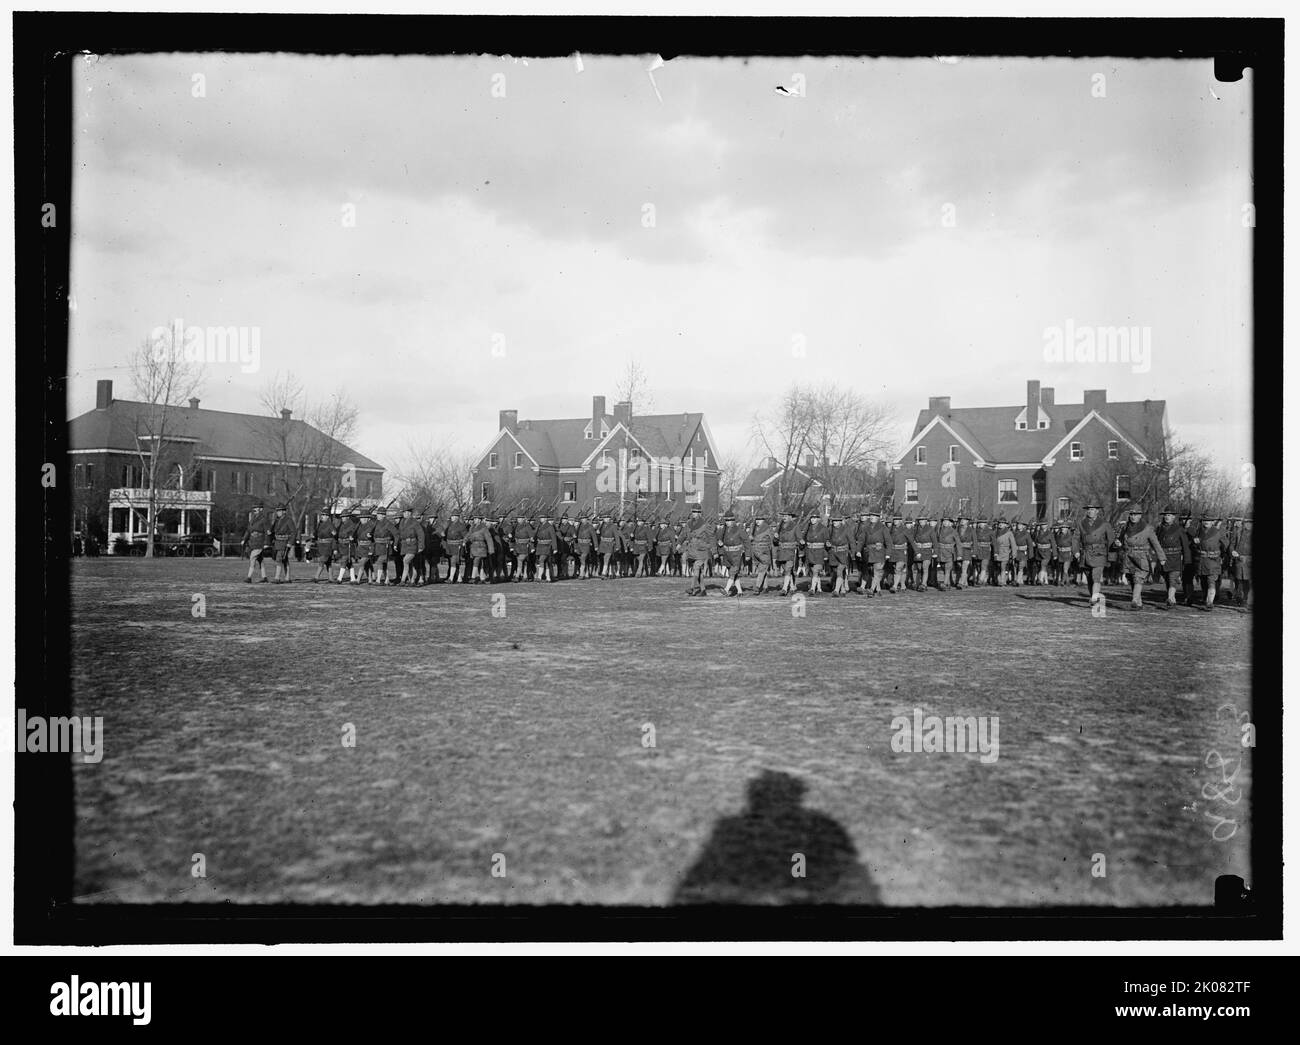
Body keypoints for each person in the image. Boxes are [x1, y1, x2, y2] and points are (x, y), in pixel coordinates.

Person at [1119, 506, 1166, 610]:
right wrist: (1117, 543)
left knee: (1138, 578)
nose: (1133, 517)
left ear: (1140, 515)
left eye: (1135, 514)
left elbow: (1156, 543)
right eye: (1131, 514)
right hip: (1128, 556)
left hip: (1141, 556)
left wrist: (1161, 557)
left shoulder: (1148, 528)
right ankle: (1138, 602)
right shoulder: (1125, 527)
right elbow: (1120, 540)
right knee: (1132, 579)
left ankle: (1134, 600)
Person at [1075, 503, 1115, 606]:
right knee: (1089, 579)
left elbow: (1111, 540)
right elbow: (1076, 538)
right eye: (1088, 509)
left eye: (1092, 509)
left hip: (1099, 553)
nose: (1090, 511)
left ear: (1097, 511)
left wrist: (1111, 556)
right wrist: (1075, 551)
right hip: (1086, 554)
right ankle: (1094, 597)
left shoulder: (1105, 524)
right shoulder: (1081, 523)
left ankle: (1094, 598)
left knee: (1096, 577)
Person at [1193, 513, 1232, 612]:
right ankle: (1205, 598)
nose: (1206, 522)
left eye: (1209, 521)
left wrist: (1230, 553)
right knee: (1203, 581)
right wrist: (1195, 543)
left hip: (1213, 560)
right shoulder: (1198, 531)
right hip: (1201, 561)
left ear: (1213, 522)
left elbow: (1227, 545)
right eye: (1204, 520)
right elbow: (1194, 547)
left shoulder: (1218, 532)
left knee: (1211, 581)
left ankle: (1210, 602)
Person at [1155, 507, 1191, 606]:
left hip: (1175, 558)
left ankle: (1170, 598)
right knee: (1167, 578)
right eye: (1165, 515)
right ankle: (1172, 598)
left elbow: (1185, 546)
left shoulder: (1179, 529)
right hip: (1163, 558)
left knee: (1173, 578)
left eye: (1169, 515)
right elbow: (1156, 542)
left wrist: (1187, 561)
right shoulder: (1159, 528)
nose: (1167, 517)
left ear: (1173, 517)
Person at [684, 505, 714, 596]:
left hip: (701, 549)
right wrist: (679, 543)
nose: (694, 513)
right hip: (692, 550)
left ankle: (692, 588)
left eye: (696, 512)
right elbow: (684, 534)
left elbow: (711, 536)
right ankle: (703, 590)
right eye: (693, 511)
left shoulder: (705, 524)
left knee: (696, 567)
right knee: (698, 571)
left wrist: (714, 550)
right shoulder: (689, 523)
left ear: (700, 513)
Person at [719, 510, 750, 597]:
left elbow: (747, 541)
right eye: (726, 520)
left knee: (732, 572)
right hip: (727, 555)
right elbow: (719, 538)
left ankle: (726, 590)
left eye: (729, 520)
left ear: (733, 520)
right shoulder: (724, 530)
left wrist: (748, 554)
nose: (727, 522)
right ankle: (740, 591)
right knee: (734, 574)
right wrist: (720, 542)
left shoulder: (739, 530)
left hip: (736, 554)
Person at [858, 508, 888, 597]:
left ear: (878, 517)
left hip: (879, 552)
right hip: (868, 553)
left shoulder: (883, 528)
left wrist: (888, 553)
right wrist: (858, 550)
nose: (871, 517)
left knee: (877, 570)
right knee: (871, 572)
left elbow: (888, 541)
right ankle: (878, 589)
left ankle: (871, 589)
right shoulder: (866, 528)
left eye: (874, 516)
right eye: (870, 516)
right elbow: (861, 540)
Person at [801, 510, 831, 597]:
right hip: (809, 552)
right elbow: (803, 539)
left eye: (814, 518)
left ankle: (812, 588)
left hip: (819, 552)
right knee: (812, 571)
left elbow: (827, 541)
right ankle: (819, 588)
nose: (812, 520)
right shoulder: (807, 528)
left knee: (816, 570)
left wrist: (826, 554)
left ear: (818, 518)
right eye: (811, 518)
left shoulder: (824, 528)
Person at [748, 510, 775, 595]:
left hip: (764, 552)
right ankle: (765, 587)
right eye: (756, 519)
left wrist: (774, 554)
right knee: (762, 570)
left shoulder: (768, 528)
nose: (757, 521)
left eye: (759, 519)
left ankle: (757, 587)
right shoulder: (753, 528)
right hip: (755, 552)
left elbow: (773, 540)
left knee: (762, 569)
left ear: (763, 520)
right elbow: (750, 538)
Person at [371, 504, 400, 585]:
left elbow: (396, 534)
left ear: (383, 515)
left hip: (385, 547)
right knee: (384, 564)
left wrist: (395, 544)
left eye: (379, 514)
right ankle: (387, 580)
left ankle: (378, 580)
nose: (377, 515)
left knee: (380, 562)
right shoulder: (376, 523)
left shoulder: (388, 524)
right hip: (378, 547)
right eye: (377, 514)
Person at [887, 513, 915, 594]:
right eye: (894, 519)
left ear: (900, 520)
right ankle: (903, 585)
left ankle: (895, 586)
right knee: (900, 570)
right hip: (893, 552)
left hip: (902, 551)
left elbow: (912, 541)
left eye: (897, 519)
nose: (895, 521)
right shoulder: (891, 529)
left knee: (898, 568)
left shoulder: (904, 529)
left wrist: (917, 552)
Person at [242, 503, 270, 583]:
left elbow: (267, 532)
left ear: (261, 509)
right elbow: (248, 530)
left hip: (260, 542)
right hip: (252, 542)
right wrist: (244, 539)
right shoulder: (252, 519)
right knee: (260, 560)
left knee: (252, 557)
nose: (254, 509)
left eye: (256, 508)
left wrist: (266, 543)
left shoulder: (264, 519)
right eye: (254, 508)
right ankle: (264, 577)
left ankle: (249, 577)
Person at [398, 505, 425, 585]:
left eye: (405, 512)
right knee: (410, 564)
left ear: (409, 513)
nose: (404, 514)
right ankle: (411, 580)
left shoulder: (414, 522)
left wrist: (421, 546)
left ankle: (403, 580)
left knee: (406, 560)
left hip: (413, 545)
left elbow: (421, 534)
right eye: (403, 512)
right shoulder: (402, 522)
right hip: (404, 545)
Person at [776, 509, 801, 596]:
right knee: (787, 570)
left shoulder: (795, 526)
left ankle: (784, 589)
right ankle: (792, 586)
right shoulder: (779, 526)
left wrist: (801, 543)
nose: (784, 517)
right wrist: (775, 538)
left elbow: (799, 538)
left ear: (790, 517)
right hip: (781, 551)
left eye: (786, 516)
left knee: (788, 569)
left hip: (791, 550)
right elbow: (776, 540)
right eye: (783, 516)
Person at [1231, 514, 1253, 610]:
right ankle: (1240, 598)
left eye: (1250, 523)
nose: (1248, 525)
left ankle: (1246, 600)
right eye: (1247, 522)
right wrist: (1232, 551)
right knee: (1239, 581)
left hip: (1250, 561)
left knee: (1248, 581)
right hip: (1239, 560)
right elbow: (1231, 545)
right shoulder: (1238, 532)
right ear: (1243, 523)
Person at [271, 504, 296, 583]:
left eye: (279, 511)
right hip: (277, 542)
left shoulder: (288, 520)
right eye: (277, 511)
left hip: (284, 542)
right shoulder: (277, 520)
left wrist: (290, 542)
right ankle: (287, 578)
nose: (278, 512)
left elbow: (293, 532)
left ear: (284, 511)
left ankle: (277, 578)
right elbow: (274, 530)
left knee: (279, 558)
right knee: (284, 560)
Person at [312, 508, 338, 582]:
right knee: (328, 563)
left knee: (322, 561)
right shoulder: (320, 524)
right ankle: (331, 578)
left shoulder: (330, 525)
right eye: (322, 515)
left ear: (328, 516)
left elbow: (334, 537)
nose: (322, 516)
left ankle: (316, 577)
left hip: (327, 546)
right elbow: (316, 534)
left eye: (324, 515)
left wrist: (335, 548)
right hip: (321, 546)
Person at [934, 513, 960, 590]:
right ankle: (948, 582)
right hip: (941, 552)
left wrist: (959, 554)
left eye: (947, 521)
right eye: (944, 521)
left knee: (947, 568)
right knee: (943, 567)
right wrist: (935, 551)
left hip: (950, 551)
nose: (945, 523)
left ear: (950, 523)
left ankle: (945, 584)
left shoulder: (954, 531)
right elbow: (936, 541)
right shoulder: (939, 530)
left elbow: (958, 543)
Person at [442, 510, 468, 583]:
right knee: (454, 562)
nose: (452, 517)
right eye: (452, 516)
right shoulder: (449, 525)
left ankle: (451, 578)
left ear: (457, 517)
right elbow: (446, 535)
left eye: (453, 516)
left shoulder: (461, 526)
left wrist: (464, 542)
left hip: (457, 546)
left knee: (453, 561)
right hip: (450, 546)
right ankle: (459, 578)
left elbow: (466, 536)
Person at [534, 511, 558, 582]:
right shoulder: (539, 526)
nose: (540, 519)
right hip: (540, 546)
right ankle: (548, 578)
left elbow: (553, 538)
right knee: (546, 562)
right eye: (540, 518)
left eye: (542, 518)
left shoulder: (550, 527)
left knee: (541, 560)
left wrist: (555, 548)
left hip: (547, 546)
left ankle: (539, 577)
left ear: (545, 519)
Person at [972, 513, 993, 586]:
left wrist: (995, 552)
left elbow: (994, 542)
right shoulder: (975, 531)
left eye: (983, 523)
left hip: (986, 550)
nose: (981, 524)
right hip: (977, 550)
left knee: (984, 566)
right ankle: (978, 579)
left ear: (986, 523)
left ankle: (980, 580)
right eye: (980, 522)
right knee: (977, 566)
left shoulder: (990, 531)